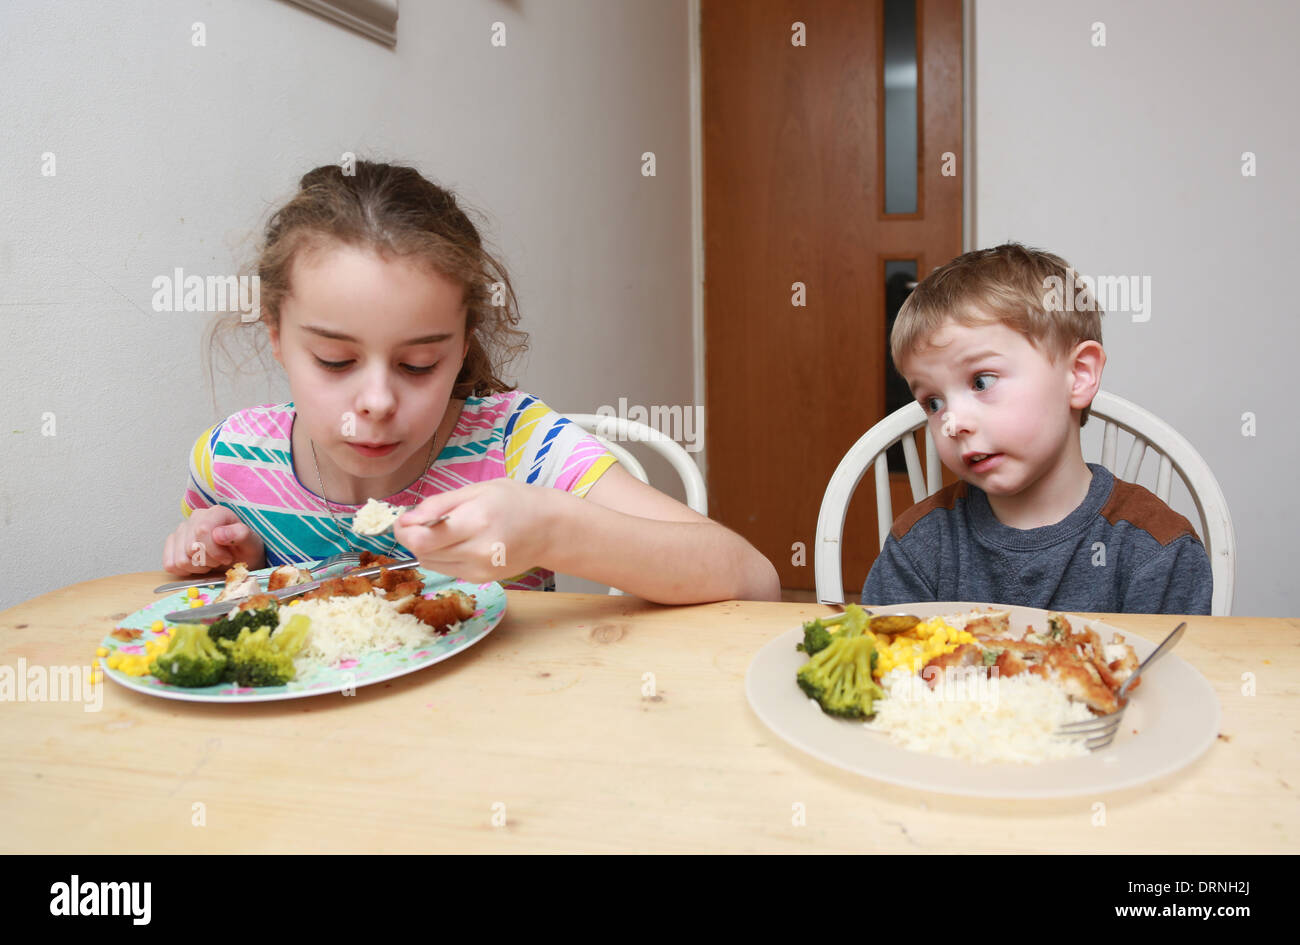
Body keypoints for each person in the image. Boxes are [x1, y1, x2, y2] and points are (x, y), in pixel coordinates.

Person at [163, 160, 779, 604]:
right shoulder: (231, 460)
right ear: (274, 331)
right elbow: (195, 598)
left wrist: (554, 528)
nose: (376, 402)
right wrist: (219, 558)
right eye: (334, 359)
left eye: (418, 366)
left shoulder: (518, 447)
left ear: (462, 347)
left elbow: (751, 579)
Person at [862, 243, 1213, 614]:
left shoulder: (1156, 551)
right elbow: (886, 662)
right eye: (933, 402)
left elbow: (1172, 670)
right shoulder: (919, 547)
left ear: (1078, 375)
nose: (954, 423)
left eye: (981, 382)